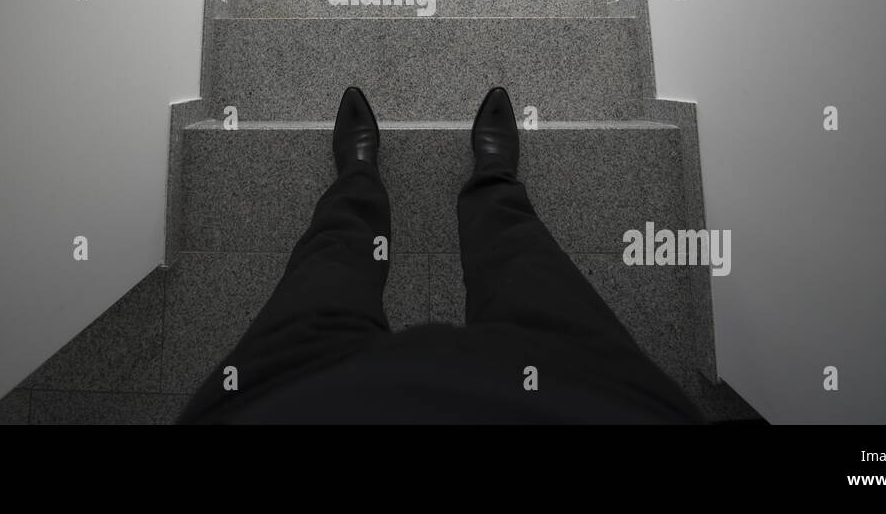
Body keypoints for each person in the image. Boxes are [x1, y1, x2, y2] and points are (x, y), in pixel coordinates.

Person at [177, 86, 705, 424]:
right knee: (526, 260)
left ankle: (360, 177)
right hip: (594, 402)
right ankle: (492, 179)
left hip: (289, 401)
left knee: (330, 260)